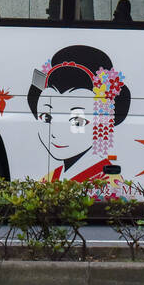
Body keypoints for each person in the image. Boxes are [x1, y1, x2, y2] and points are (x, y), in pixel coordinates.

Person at [28, 45, 130, 182]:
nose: (55, 133)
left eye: (78, 121)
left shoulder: (106, 179)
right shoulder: (52, 176)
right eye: (47, 117)